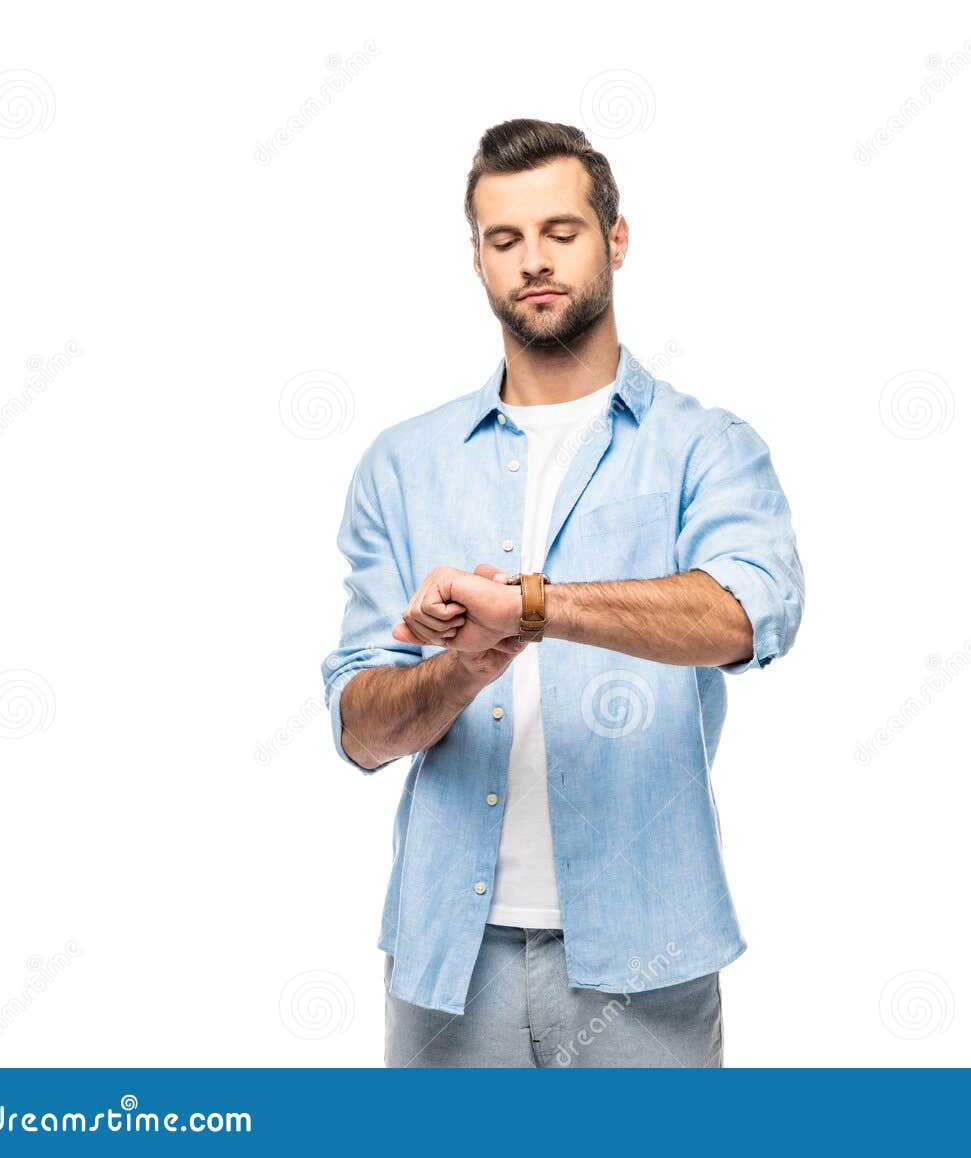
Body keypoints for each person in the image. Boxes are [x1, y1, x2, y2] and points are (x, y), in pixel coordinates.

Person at [319, 119, 805, 1067]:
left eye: (561, 231)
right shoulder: (403, 464)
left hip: (649, 960)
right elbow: (359, 729)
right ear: (477, 262)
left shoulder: (707, 447)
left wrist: (533, 608)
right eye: (505, 240)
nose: (533, 260)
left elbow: (746, 615)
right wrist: (459, 669)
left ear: (615, 240)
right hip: (445, 968)